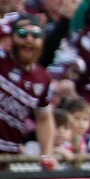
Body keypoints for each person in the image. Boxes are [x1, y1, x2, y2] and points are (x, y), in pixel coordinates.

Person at [0, 13, 55, 164]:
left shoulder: (43, 79)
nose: (29, 39)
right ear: (12, 38)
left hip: (8, 156)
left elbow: (44, 118)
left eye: (36, 35)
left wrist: (46, 154)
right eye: (23, 34)